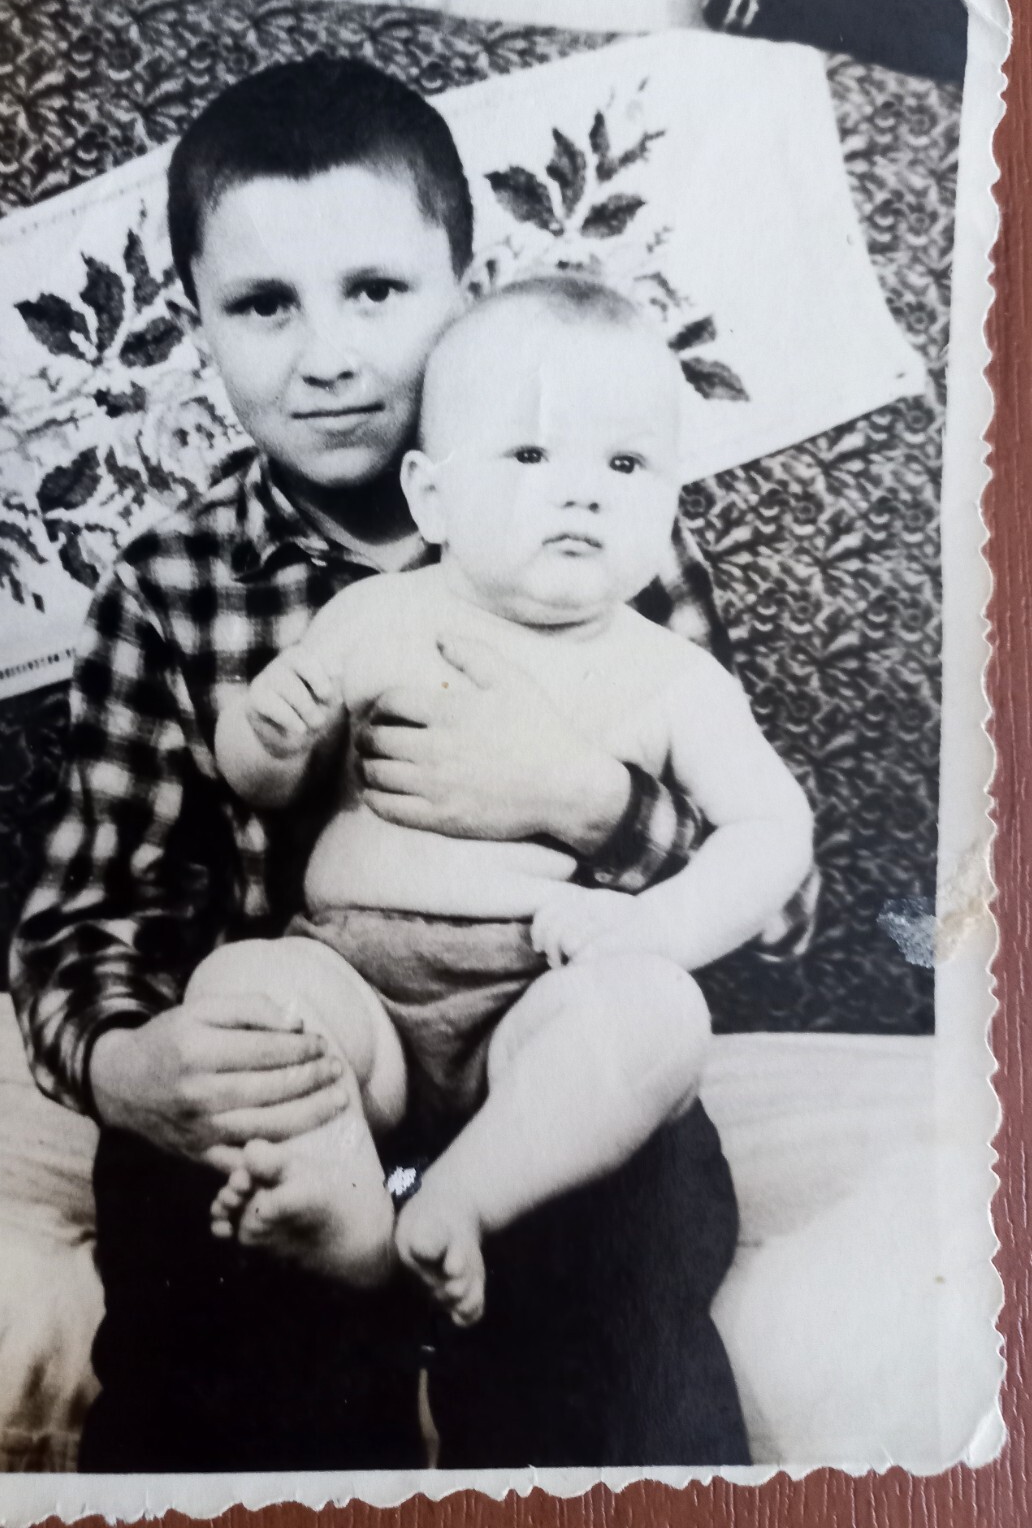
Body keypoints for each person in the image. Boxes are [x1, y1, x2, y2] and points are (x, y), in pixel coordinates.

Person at [11, 56, 815, 1470]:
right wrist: (136, 1068)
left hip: (547, 1050)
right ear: (196, 326)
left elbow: (782, 903)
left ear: (465, 279)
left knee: (611, 1309)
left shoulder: (608, 533)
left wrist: (589, 807)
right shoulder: (176, 583)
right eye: (264, 304)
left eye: (377, 292)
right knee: (223, 1325)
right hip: (319, 1059)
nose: (328, 355)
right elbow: (93, 917)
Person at [208, 275, 814, 1329]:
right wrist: (267, 727)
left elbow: (775, 835)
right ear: (431, 496)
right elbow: (257, 782)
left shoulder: (672, 676)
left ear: (668, 500)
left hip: (534, 1011)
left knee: (660, 1017)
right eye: (529, 456)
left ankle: (460, 1200)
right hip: (356, 988)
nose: (581, 492)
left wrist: (649, 925)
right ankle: (346, 1212)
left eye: (623, 464)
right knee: (241, 984)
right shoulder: (375, 614)